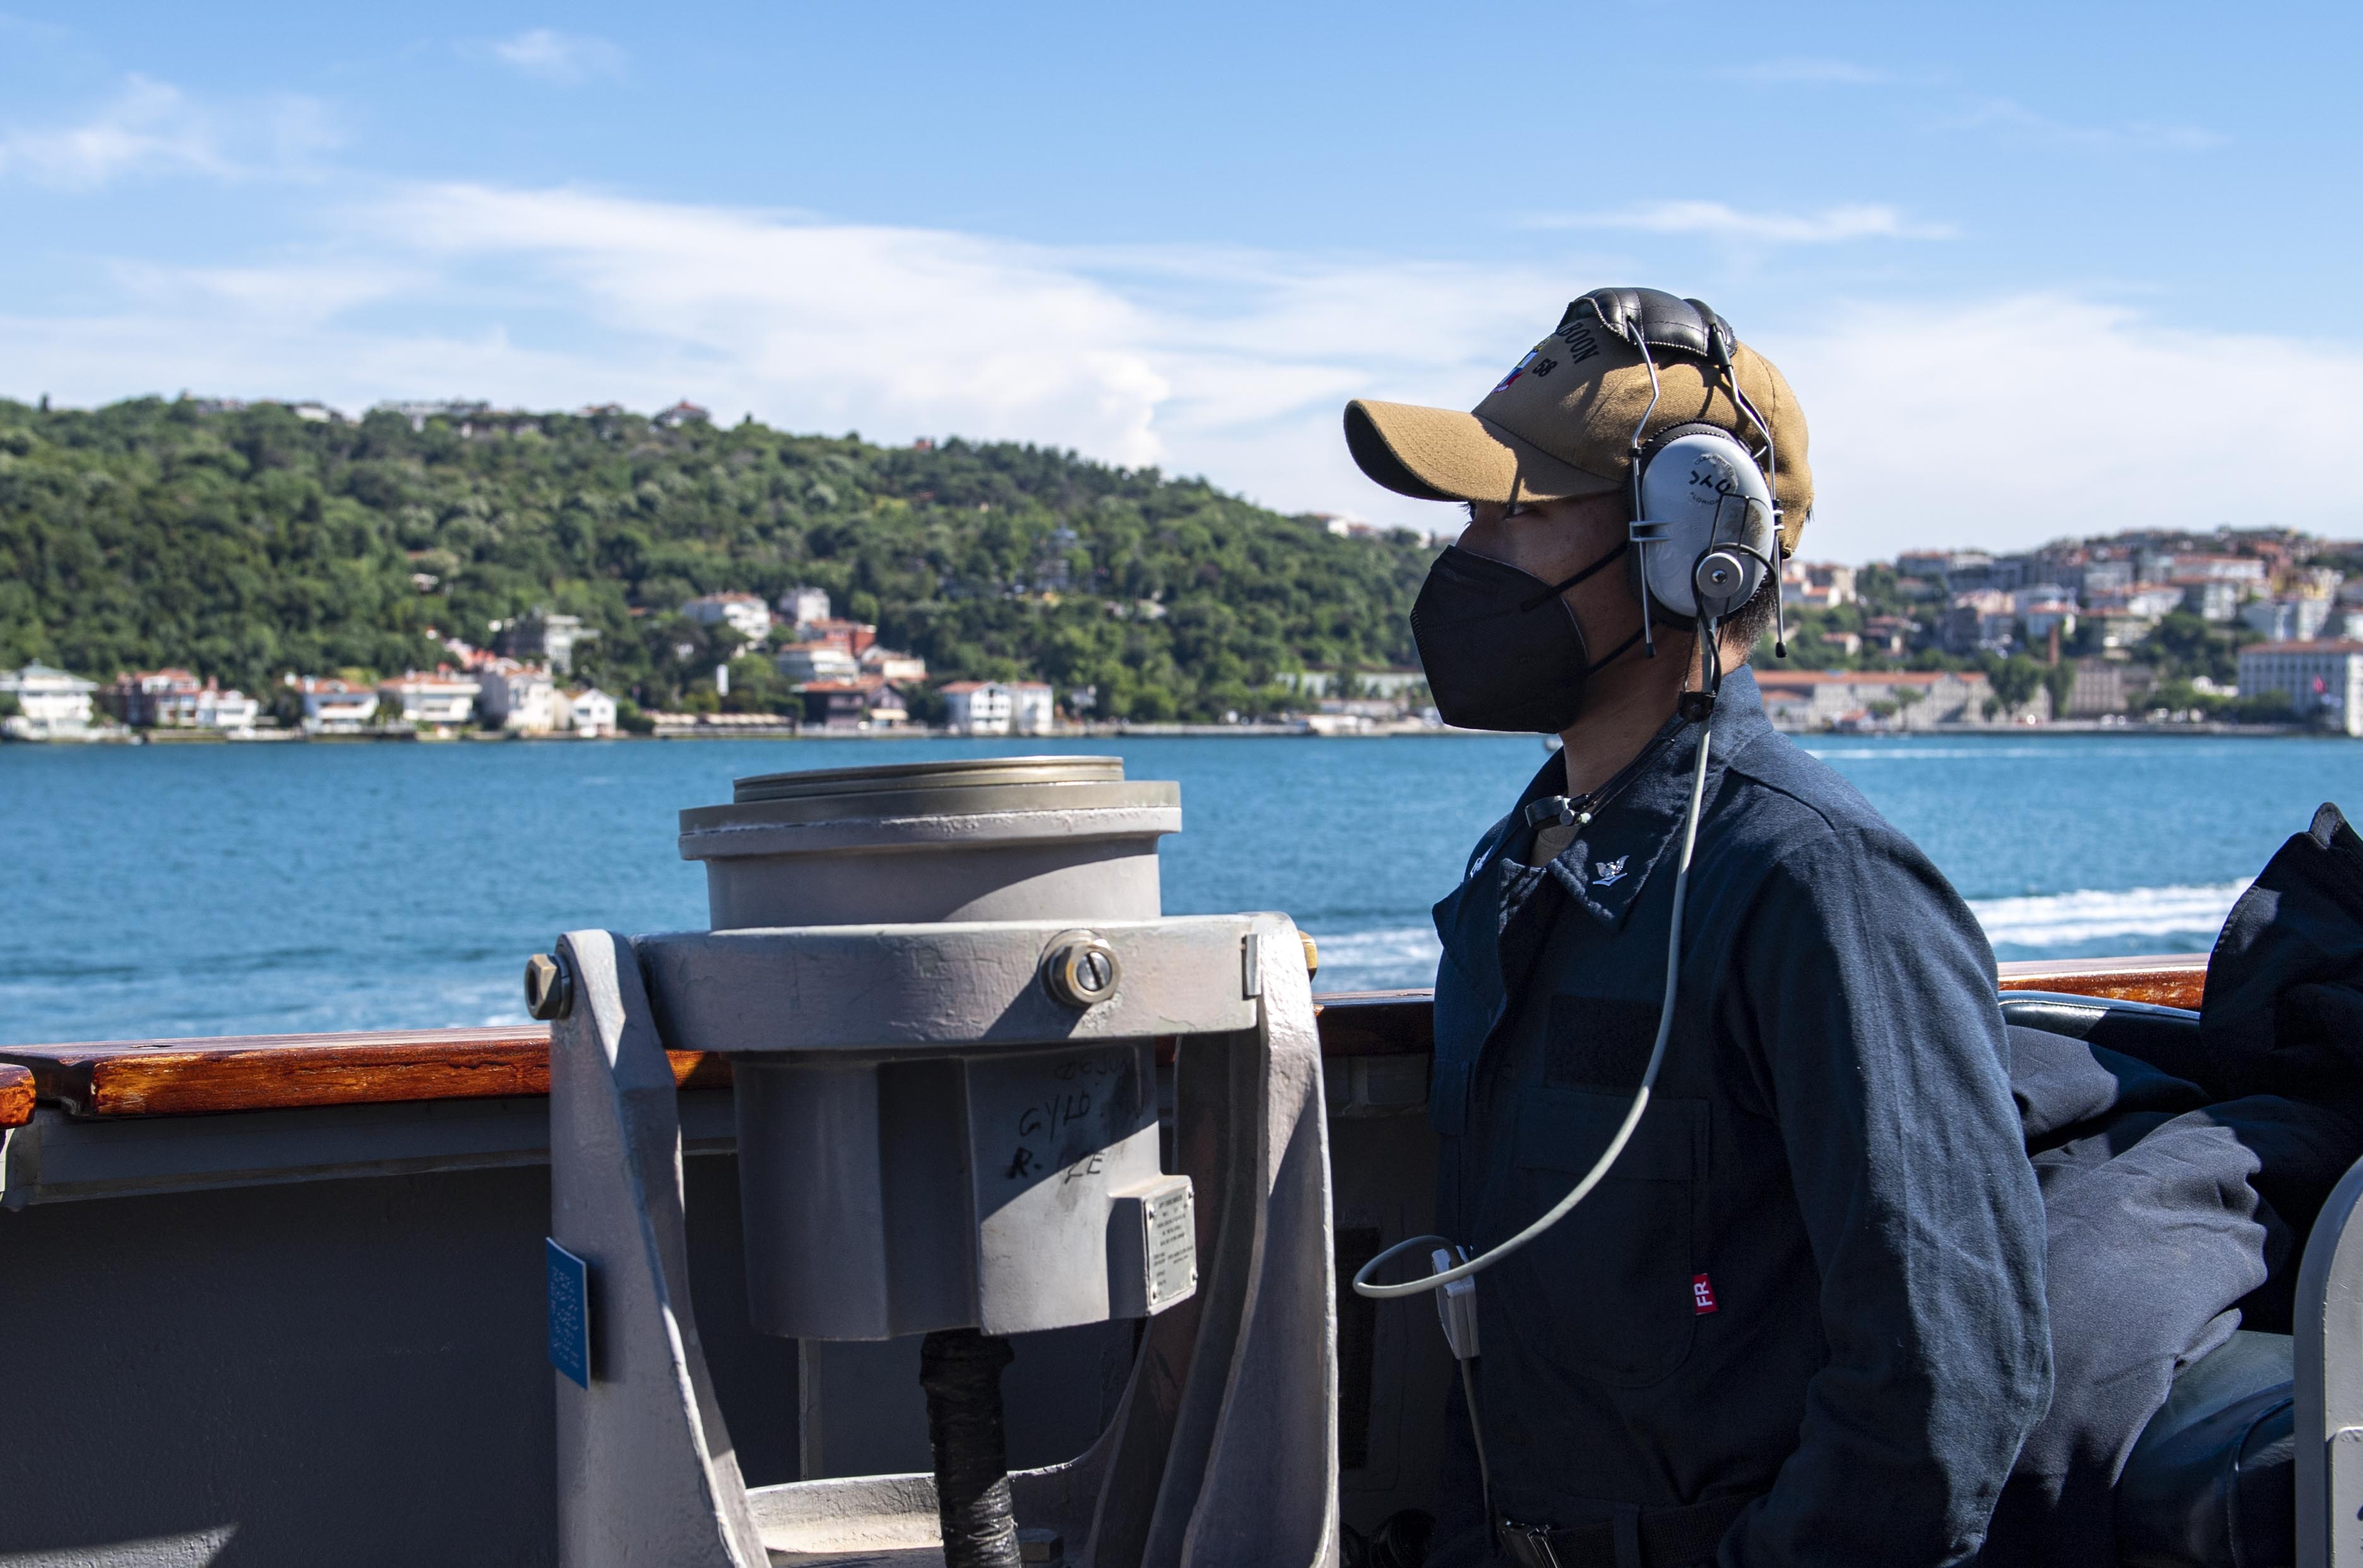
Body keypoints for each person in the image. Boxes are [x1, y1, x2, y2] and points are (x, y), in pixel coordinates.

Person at [1343, 288, 2052, 1568]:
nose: (1465, 560)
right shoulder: (1521, 872)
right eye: (1469, 520)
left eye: (1519, 518)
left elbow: (1946, 1384)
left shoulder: (1819, 887)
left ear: (1696, 543)